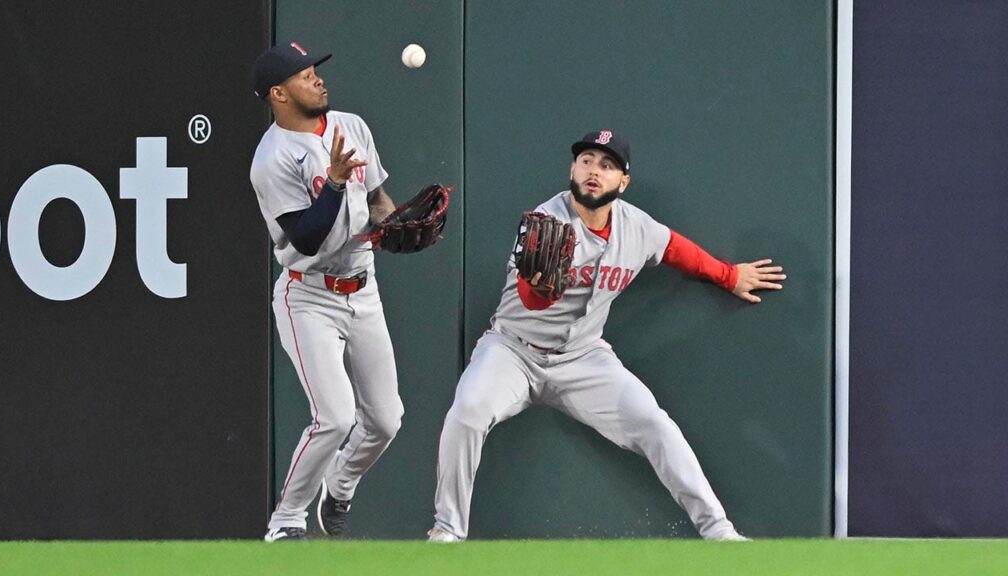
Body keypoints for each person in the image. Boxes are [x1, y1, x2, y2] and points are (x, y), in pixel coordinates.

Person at [428, 130, 785, 542]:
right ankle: (447, 531)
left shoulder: (637, 227)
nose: (594, 171)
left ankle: (719, 531)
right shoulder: (543, 224)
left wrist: (729, 275)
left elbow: (675, 249)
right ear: (572, 168)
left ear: (623, 181)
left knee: (655, 424)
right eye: (586, 160)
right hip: (512, 351)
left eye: (607, 165)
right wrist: (541, 292)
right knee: (467, 410)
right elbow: (529, 301)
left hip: (584, 358)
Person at [249, 42, 403, 541]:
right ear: (278, 93)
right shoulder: (272, 158)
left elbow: (377, 197)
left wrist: (396, 224)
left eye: (315, 70)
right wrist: (333, 183)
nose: (316, 79)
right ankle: (286, 520)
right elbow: (307, 238)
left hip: (364, 289)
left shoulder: (352, 125)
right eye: (304, 75)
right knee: (334, 417)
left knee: (386, 420)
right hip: (308, 296)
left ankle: (340, 484)